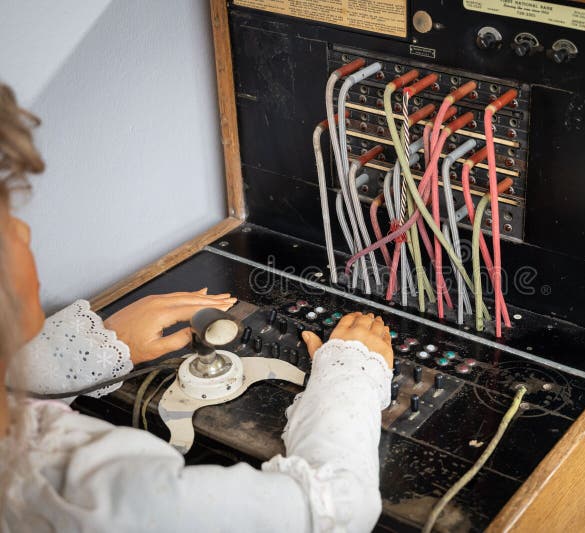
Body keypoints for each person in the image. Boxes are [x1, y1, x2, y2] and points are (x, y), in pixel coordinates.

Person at [0, 82, 394, 532]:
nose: (24, 234)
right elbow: (337, 509)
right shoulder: (76, 488)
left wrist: (84, 351)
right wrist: (351, 375)